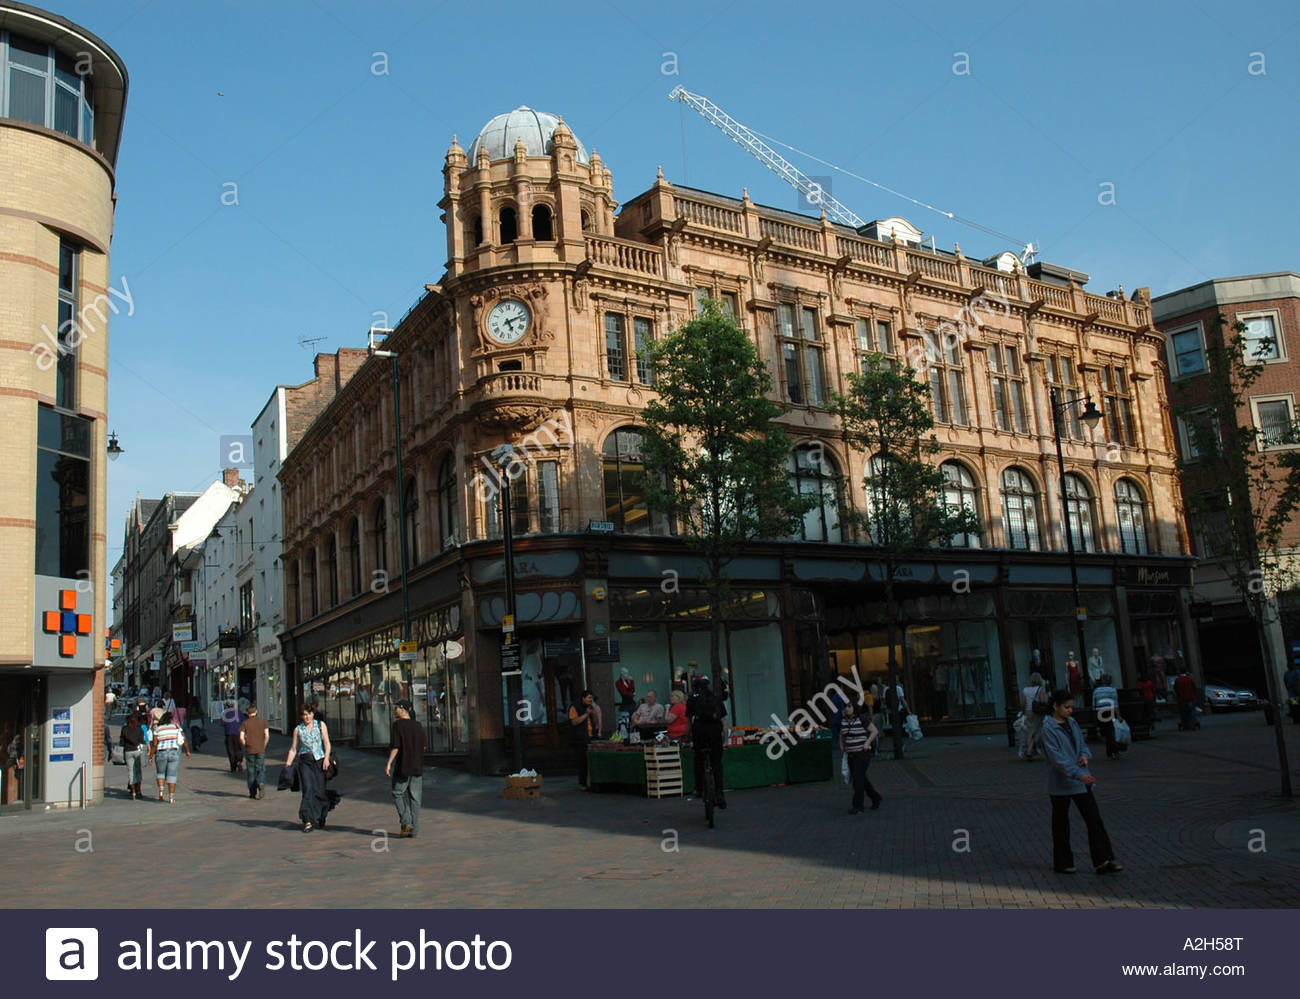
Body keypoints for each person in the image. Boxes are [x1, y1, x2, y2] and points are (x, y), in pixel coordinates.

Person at [1040, 689, 1123, 875]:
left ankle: (1103, 860)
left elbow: (1082, 745)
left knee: (1094, 820)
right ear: (1056, 706)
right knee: (1061, 824)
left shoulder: (1072, 722)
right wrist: (1078, 774)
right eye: (1066, 707)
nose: (1070, 711)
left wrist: (1085, 755)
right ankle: (1063, 862)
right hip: (1062, 782)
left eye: (1071, 707)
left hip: (1080, 779)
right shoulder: (1048, 728)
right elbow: (1057, 759)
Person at [284, 704, 332, 832]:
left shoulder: (320, 725)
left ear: (313, 714)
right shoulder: (298, 729)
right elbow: (293, 749)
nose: (307, 717)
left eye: (309, 714)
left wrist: (326, 758)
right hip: (305, 761)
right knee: (308, 788)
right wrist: (288, 764)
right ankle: (308, 820)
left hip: (319, 760)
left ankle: (321, 814)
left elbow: (327, 743)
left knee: (319, 791)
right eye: (304, 715)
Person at [386, 699, 425, 838]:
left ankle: (406, 821)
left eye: (396, 708)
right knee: (415, 798)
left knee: (397, 793)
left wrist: (389, 763)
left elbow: (396, 746)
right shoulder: (418, 725)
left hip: (403, 765)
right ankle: (414, 829)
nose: (394, 710)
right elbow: (423, 745)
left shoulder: (398, 725)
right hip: (417, 766)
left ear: (403, 710)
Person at [685, 675, 726, 808]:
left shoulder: (692, 698)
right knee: (717, 763)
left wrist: (688, 736)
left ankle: (699, 788)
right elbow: (723, 720)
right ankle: (719, 793)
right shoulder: (715, 697)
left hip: (699, 730)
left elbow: (688, 721)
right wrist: (725, 736)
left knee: (699, 758)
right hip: (714, 730)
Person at [839, 701, 882, 813]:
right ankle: (875, 797)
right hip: (851, 755)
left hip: (862, 754)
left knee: (857, 779)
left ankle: (858, 805)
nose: (847, 709)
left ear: (854, 707)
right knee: (862, 779)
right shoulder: (844, 720)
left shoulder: (862, 719)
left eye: (849, 706)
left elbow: (874, 731)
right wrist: (842, 745)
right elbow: (842, 733)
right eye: (845, 706)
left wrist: (867, 743)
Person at [148, 711, 190, 804]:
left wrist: (150, 756)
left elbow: (154, 744)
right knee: (172, 775)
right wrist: (187, 751)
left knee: (160, 773)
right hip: (173, 752)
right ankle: (171, 798)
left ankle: (161, 793)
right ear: (171, 719)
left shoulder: (157, 729)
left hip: (161, 752)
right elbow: (183, 739)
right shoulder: (176, 726)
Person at [239, 705, 271, 799]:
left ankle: (252, 792)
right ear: (256, 712)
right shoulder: (263, 722)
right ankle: (261, 782)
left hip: (250, 749)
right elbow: (267, 735)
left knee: (251, 770)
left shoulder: (245, 723)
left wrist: (245, 744)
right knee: (260, 768)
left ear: (248, 713)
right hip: (260, 749)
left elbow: (241, 737)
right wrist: (264, 745)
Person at [1091, 674, 1124, 760]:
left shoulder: (1096, 691)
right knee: (1111, 731)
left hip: (1100, 711)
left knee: (1106, 732)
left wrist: (1094, 716)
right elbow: (1115, 704)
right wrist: (1119, 715)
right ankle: (1114, 750)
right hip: (1110, 711)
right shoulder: (1112, 690)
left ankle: (1110, 751)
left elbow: (1094, 705)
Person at [568, 690, 596, 789]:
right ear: (583, 698)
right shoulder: (574, 707)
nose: (591, 700)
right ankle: (583, 783)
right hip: (579, 739)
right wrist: (586, 714)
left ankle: (592, 782)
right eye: (589, 698)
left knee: (591, 761)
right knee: (582, 762)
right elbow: (574, 722)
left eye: (592, 698)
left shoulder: (590, 707)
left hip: (590, 736)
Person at [1020, 672, 1048, 761]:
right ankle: (1033, 747)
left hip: (1028, 711)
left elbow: (1023, 703)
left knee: (1030, 730)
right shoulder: (1040, 689)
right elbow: (1043, 701)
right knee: (1038, 729)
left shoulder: (1025, 690)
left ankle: (1029, 750)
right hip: (1038, 711)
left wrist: (1023, 712)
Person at [119, 712, 146, 800]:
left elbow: (121, 742)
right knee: (138, 771)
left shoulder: (125, 729)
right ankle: (139, 791)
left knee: (131, 771)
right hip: (137, 750)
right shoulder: (139, 729)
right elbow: (142, 740)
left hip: (128, 751)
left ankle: (133, 792)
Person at [221, 700, 247, 772]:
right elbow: (243, 721)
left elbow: (222, 723)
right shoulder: (239, 712)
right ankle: (239, 760)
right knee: (238, 748)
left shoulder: (224, 713)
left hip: (229, 733)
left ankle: (233, 766)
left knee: (230, 750)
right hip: (238, 733)